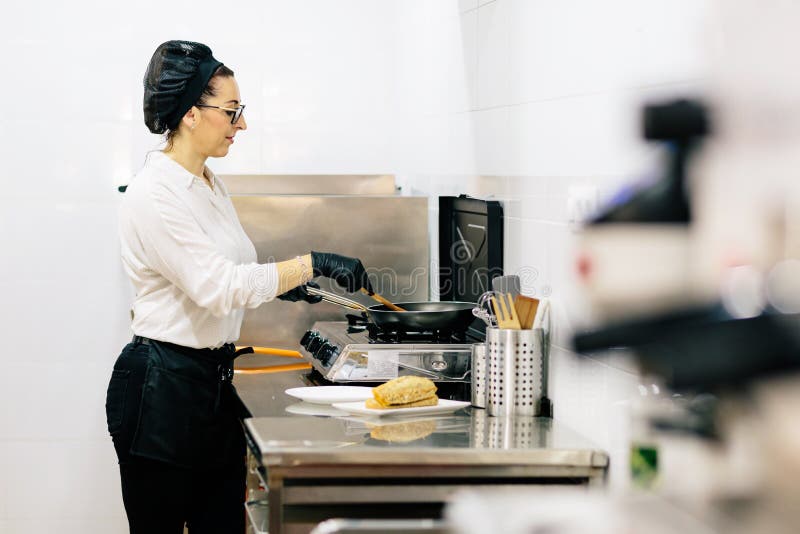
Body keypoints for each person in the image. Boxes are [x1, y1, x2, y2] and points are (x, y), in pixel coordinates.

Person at [104, 40, 374, 534]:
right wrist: (311, 264)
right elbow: (219, 286)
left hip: (210, 387)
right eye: (232, 111)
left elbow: (233, 267)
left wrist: (283, 286)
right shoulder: (155, 194)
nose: (242, 124)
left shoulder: (208, 182)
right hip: (161, 392)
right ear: (191, 113)